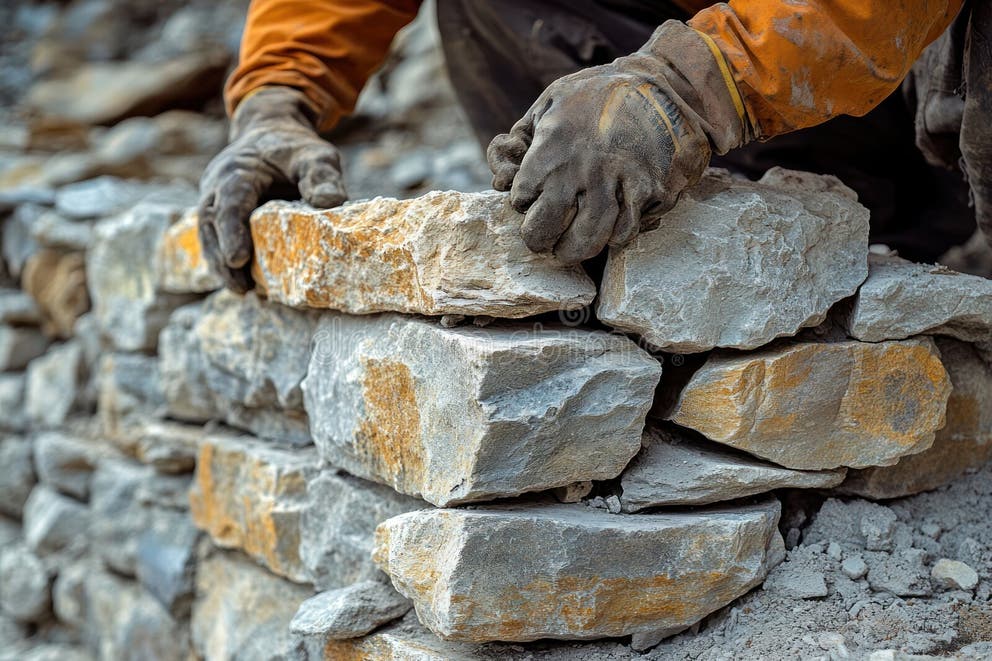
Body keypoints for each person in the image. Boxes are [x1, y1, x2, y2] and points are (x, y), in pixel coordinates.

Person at [197, 0, 991, 293]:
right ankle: (703, 263)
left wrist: (693, 86)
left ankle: (922, 248)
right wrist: (277, 97)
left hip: (916, 72)